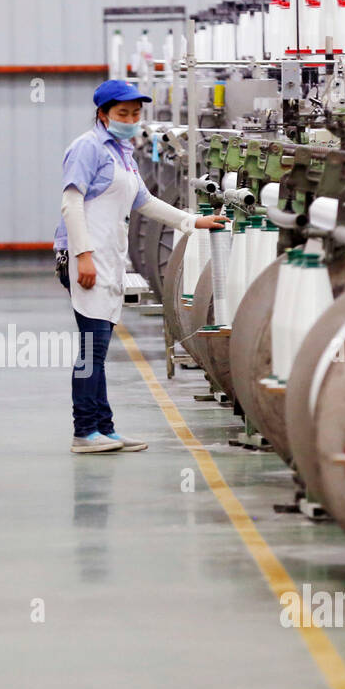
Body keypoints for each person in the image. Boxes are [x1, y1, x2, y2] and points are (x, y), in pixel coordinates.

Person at [54, 79, 226, 453]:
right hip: (87, 258)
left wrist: (192, 221)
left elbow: (144, 202)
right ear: (103, 114)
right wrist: (82, 255)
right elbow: (71, 203)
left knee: (97, 348)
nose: (131, 119)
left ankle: (104, 428)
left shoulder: (123, 152)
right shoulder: (87, 148)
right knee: (91, 349)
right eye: (122, 113)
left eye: (135, 113)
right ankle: (84, 431)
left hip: (107, 256)